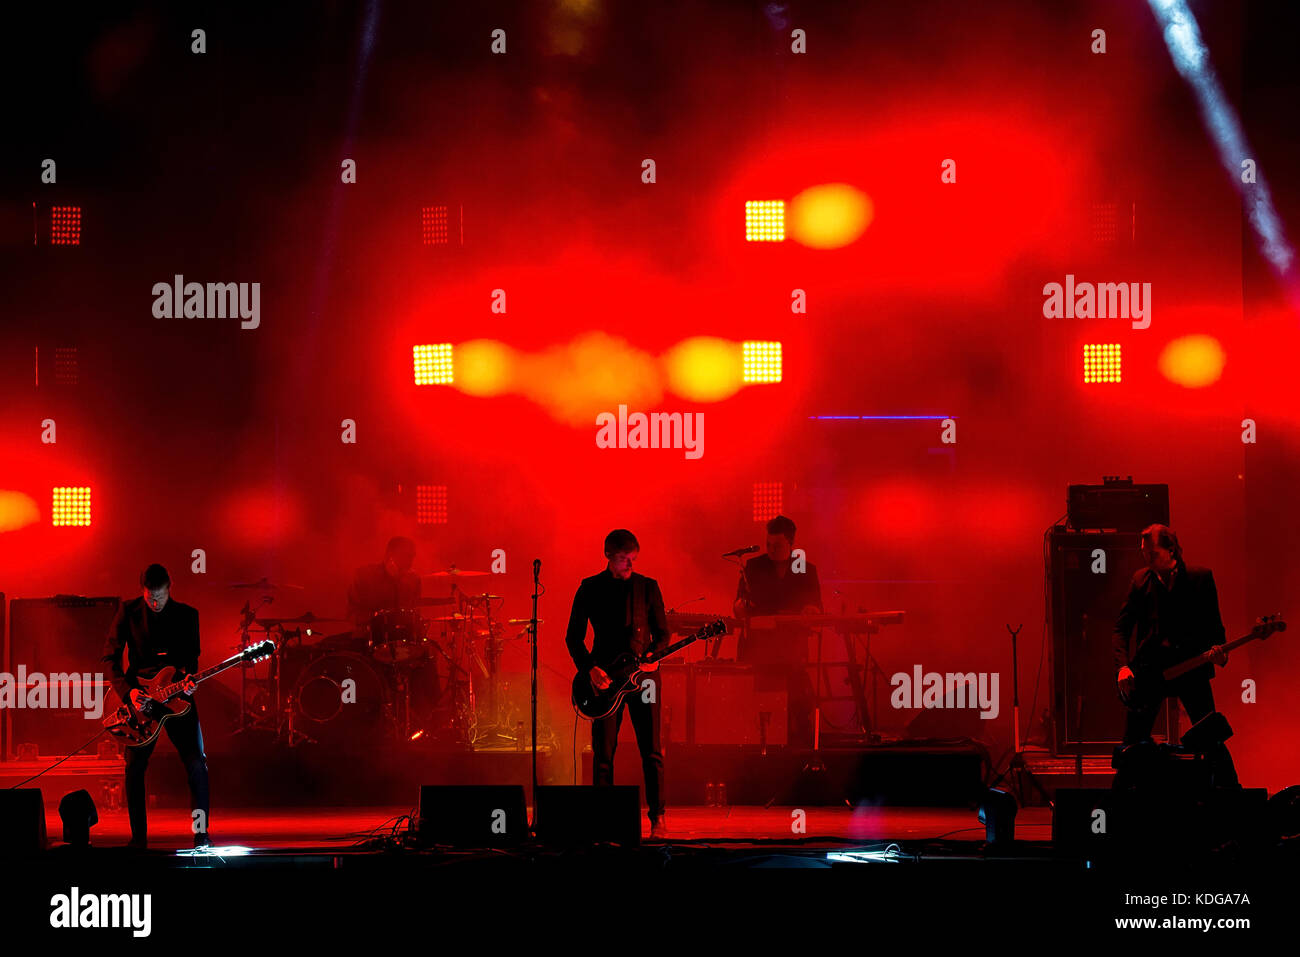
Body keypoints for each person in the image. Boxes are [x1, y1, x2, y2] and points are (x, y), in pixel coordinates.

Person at [1113, 524, 1239, 787]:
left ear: (1171, 550)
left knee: (1210, 735)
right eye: (1144, 553)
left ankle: (1233, 797)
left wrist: (1219, 651)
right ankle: (1121, 805)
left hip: (1191, 668)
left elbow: (1214, 623)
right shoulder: (1140, 580)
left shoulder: (1200, 578)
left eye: (1153, 554)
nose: (1147, 559)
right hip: (1150, 670)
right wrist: (1123, 667)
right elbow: (1122, 628)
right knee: (1133, 744)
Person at [565, 529, 671, 839]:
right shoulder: (589, 588)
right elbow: (573, 636)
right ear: (609, 556)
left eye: (633, 560)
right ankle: (602, 819)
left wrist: (656, 655)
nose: (629, 566)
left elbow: (663, 633)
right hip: (605, 680)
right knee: (603, 751)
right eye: (624, 559)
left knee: (651, 749)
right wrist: (589, 670)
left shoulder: (648, 588)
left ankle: (658, 818)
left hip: (644, 678)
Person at [101, 563, 210, 848]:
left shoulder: (187, 616)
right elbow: (109, 658)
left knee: (197, 764)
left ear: (169, 589)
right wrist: (128, 694)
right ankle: (139, 840)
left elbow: (191, 661)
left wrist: (188, 680)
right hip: (142, 699)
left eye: (159, 596)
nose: (155, 602)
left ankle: (201, 834)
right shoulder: (128, 611)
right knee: (134, 768)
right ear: (143, 590)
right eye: (150, 596)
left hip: (175, 698)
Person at [733, 515, 823, 748]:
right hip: (759, 646)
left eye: (778, 545)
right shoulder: (753, 566)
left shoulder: (805, 568)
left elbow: (816, 605)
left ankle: (799, 746)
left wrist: (811, 610)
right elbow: (738, 604)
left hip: (791, 646)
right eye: (768, 544)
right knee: (758, 698)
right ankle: (757, 744)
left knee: (796, 698)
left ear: (791, 543)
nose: (772, 549)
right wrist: (739, 608)